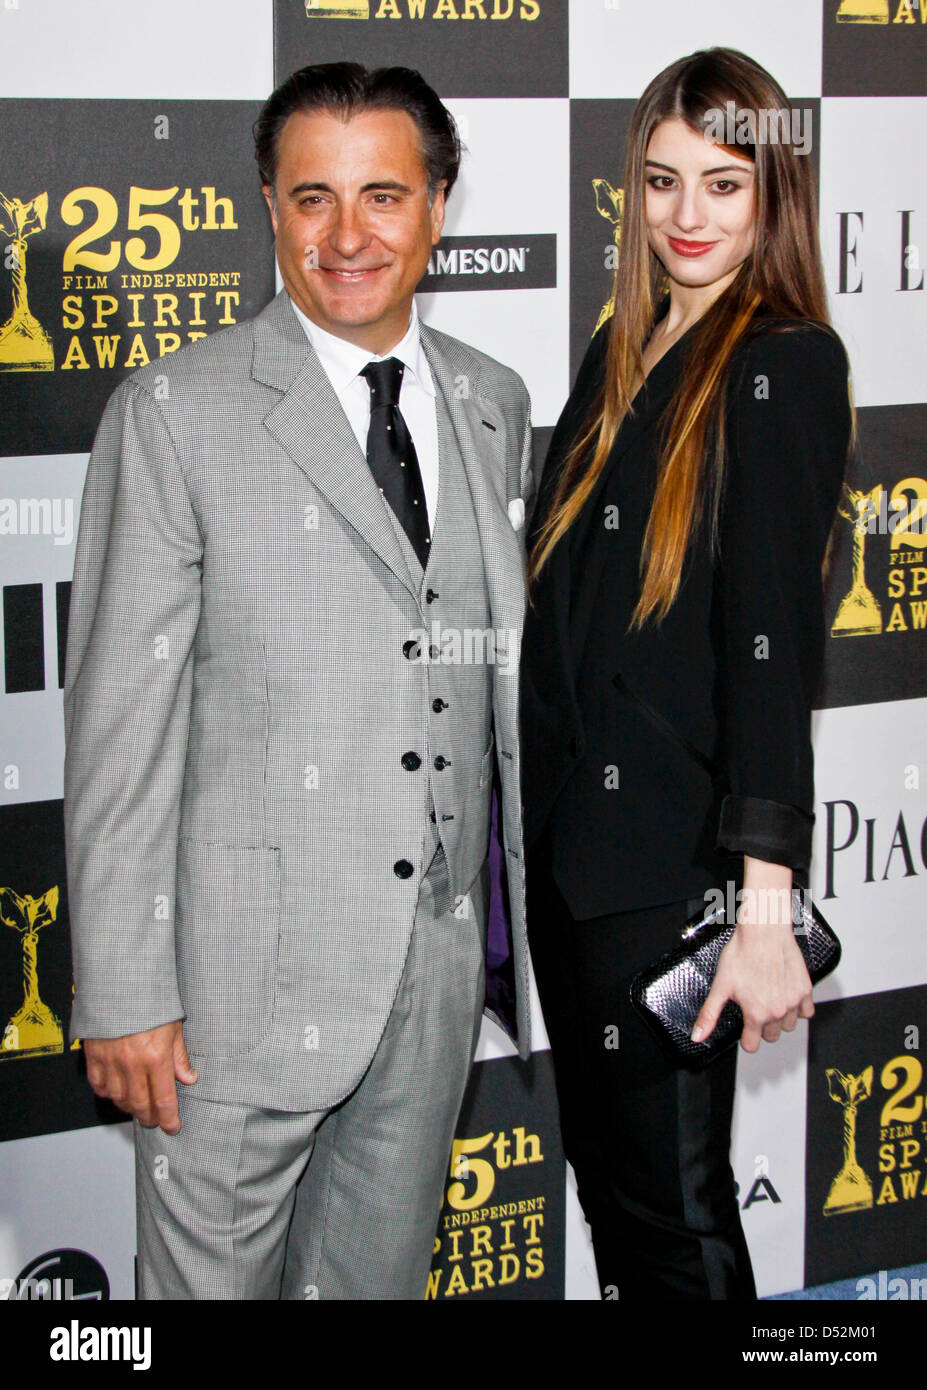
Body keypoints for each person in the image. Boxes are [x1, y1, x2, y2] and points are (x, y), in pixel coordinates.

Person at [63, 62, 534, 1301]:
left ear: (439, 205)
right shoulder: (179, 410)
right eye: (311, 196)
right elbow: (121, 724)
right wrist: (123, 993)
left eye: (383, 194)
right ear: (266, 207)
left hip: (432, 981)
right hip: (235, 994)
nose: (347, 235)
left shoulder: (493, 401)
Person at [520, 47, 852, 1301]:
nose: (687, 218)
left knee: (676, 1222)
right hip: (573, 868)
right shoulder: (629, 346)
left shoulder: (782, 362)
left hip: (671, 880)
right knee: (620, 1209)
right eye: (661, 183)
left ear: (774, 194)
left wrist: (766, 912)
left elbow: (774, 651)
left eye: (723, 184)